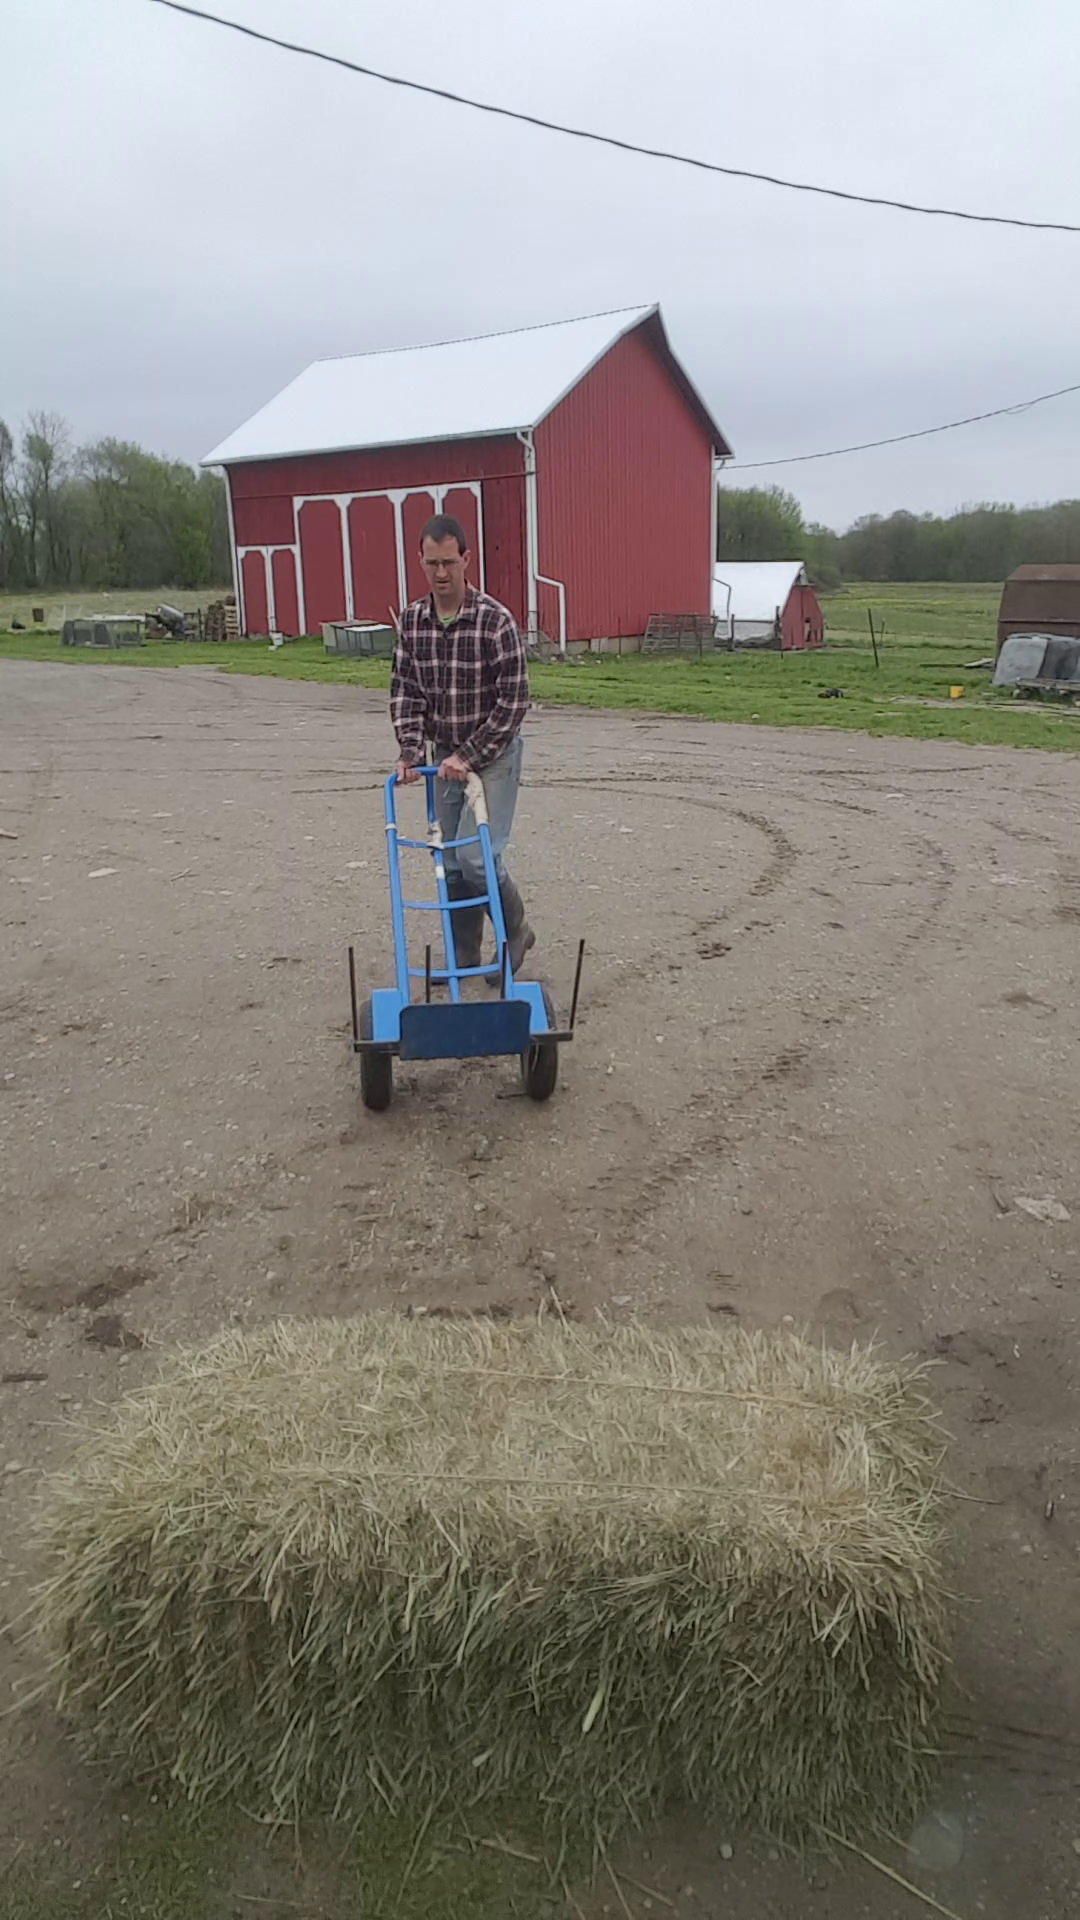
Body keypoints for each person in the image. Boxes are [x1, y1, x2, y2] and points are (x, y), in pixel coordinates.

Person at [391, 514, 534, 976]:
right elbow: (406, 692)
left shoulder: (495, 621)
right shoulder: (412, 621)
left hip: (491, 755)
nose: (441, 573)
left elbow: (514, 702)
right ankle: (466, 957)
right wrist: (412, 752)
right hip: (443, 755)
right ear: (420, 561)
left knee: (475, 856)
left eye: (449, 562)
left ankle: (516, 933)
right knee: (449, 861)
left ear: (466, 559)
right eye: (431, 563)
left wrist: (467, 756)